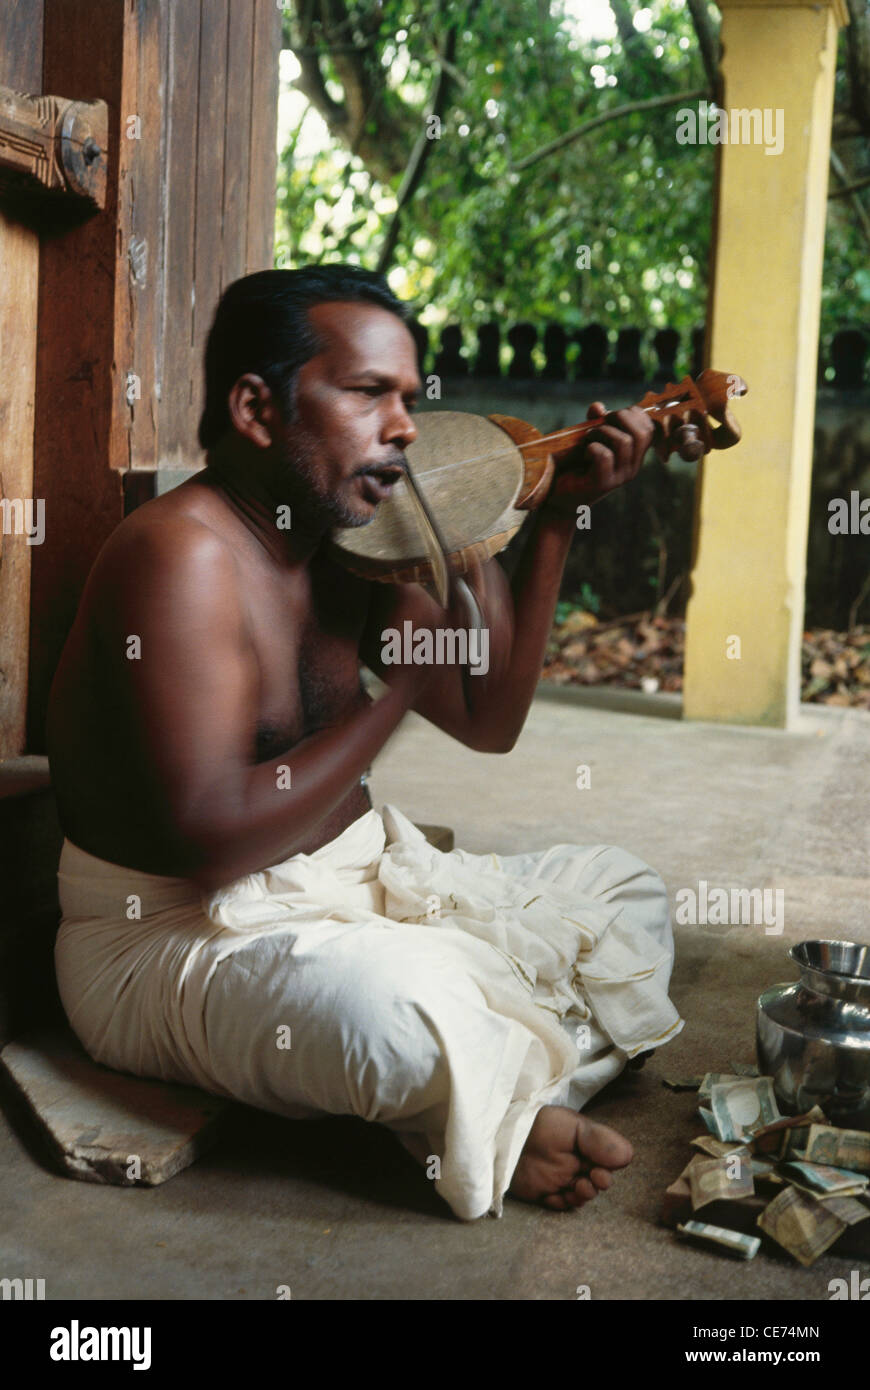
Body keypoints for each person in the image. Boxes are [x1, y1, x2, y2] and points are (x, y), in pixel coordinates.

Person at [48, 266, 683, 1221]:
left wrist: (545, 519)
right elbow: (212, 837)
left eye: (411, 400)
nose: (406, 427)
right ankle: (479, 1095)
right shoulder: (179, 555)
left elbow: (487, 719)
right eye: (367, 394)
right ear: (257, 408)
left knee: (627, 892)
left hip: (352, 889)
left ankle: (479, 1103)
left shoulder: (347, 539)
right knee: (400, 1008)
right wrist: (392, 704)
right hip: (174, 937)